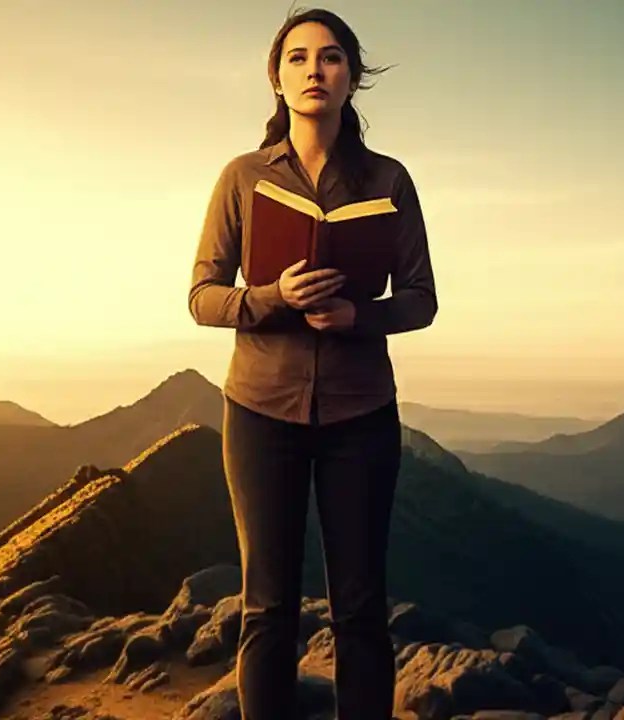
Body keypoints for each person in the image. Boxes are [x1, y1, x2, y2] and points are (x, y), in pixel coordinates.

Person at [188, 6, 438, 719]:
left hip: (362, 415)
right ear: (276, 77)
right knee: (267, 608)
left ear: (352, 77)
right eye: (297, 58)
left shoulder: (389, 180)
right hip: (260, 414)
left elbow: (422, 299)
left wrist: (361, 316)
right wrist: (270, 297)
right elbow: (202, 297)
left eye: (329, 57)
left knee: (360, 609)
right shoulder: (242, 178)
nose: (313, 70)